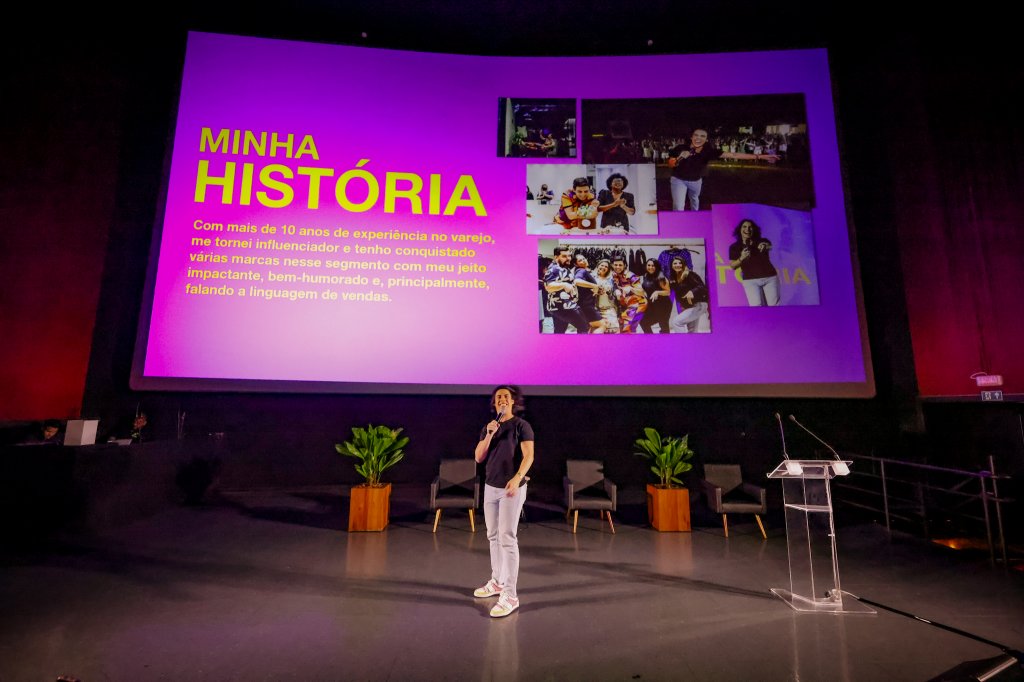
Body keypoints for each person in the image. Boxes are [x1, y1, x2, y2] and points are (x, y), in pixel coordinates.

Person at [473, 386, 535, 618]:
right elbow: (479, 457)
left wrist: (517, 478)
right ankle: (497, 581)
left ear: (512, 402)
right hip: (491, 487)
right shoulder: (489, 427)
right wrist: (489, 434)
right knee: (492, 535)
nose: (502, 399)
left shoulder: (521, 426)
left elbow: (529, 456)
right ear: (494, 402)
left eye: (505, 397)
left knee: (507, 538)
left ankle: (510, 595)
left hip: (512, 488)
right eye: (498, 397)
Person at [668, 128, 778, 211]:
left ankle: (694, 218)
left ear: (706, 139)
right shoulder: (680, 148)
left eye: (702, 136)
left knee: (694, 201)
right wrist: (679, 157)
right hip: (679, 180)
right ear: (691, 137)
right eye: (696, 135)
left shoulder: (709, 151)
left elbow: (734, 155)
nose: (698, 138)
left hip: (696, 181)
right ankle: (679, 225)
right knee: (678, 205)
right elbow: (671, 164)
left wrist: (760, 157)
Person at [728, 218, 780, 306]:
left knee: (774, 306)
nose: (747, 229)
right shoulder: (734, 247)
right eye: (744, 227)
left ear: (754, 230)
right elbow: (732, 266)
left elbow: (769, 246)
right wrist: (741, 258)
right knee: (756, 307)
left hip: (770, 278)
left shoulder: (762, 241)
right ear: (740, 230)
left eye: (750, 227)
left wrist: (764, 246)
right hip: (750, 280)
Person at [543, 246, 590, 333]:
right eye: (564, 256)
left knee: (559, 331)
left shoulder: (563, 267)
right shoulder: (554, 269)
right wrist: (564, 284)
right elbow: (548, 286)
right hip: (564, 307)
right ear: (556, 257)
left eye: (569, 256)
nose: (568, 258)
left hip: (559, 307)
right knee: (585, 327)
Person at [667, 255, 710, 332]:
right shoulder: (673, 278)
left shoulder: (689, 274)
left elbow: (702, 287)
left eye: (680, 263)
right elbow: (677, 294)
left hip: (699, 304)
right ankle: (692, 343)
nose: (677, 265)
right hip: (689, 306)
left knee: (676, 322)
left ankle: (682, 343)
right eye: (675, 263)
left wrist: (692, 292)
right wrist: (682, 305)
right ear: (671, 265)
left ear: (683, 264)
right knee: (692, 330)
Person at [610, 256, 646, 333]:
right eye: (616, 265)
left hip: (638, 304)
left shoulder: (631, 276)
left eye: (620, 265)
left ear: (624, 265)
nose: (618, 267)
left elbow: (641, 292)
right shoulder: (614, 275)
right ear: (612, 265)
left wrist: (631, 288)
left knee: (627, 328)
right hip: (625, 305)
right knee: (623, 326)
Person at [573, 254, 607, 333]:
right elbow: (577, 281)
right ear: (575, 264)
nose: (583, 261)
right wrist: (595, 286)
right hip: (587, 306)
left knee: (586, 328)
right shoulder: (581, 270)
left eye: (584, 258)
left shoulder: (582, 271)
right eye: (580, 260)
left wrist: (597, 289)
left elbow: (584, 289)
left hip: (584, 305)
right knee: (602, 325)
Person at [638, 259, 671, 334]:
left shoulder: (661, 277)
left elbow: (668, 292)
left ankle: (666, 343)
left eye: (653, 265)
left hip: (663, 305)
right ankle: (651, 340)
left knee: (663, 326)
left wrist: (657, 292)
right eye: (649, 265)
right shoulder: (645, 275)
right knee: (643, 322)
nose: (650, 267)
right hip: (652, 305)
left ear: (657, 266)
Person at [592, 259, 620, 333]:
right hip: (595, 309)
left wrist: (616, 291)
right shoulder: (592, 277)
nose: (603, 267)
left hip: (609, 308)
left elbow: (615, 289)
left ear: (608, 269)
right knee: (598, 332)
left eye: (606, 266)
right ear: (598, 266)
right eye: (602, 265)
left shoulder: (611, 279)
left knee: (614, 331)